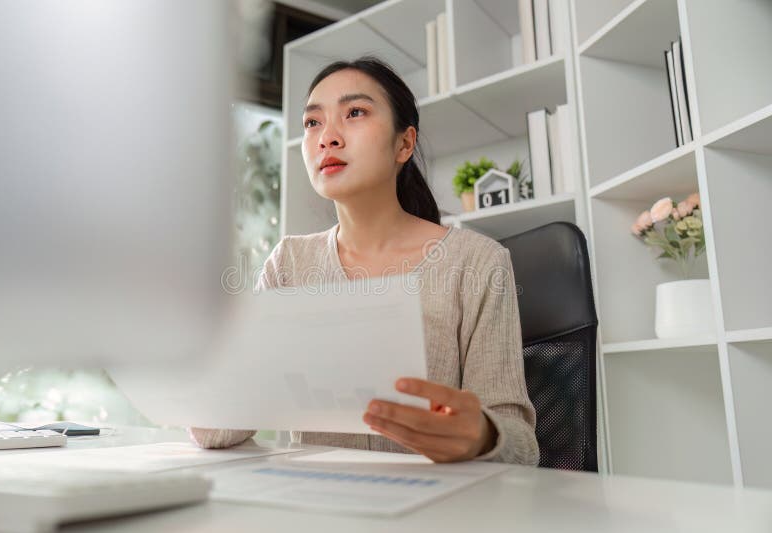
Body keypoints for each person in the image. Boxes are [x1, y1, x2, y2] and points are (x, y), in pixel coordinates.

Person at [190, 57, 539, 465]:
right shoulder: (289, 262)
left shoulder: (478, 262)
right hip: (317, 505)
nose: (327, 138)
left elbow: (521, 446)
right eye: (312, 123)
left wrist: (481, 435)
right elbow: (219, 427)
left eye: (355, 112)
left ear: (404, 144)